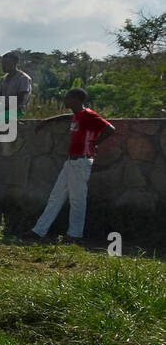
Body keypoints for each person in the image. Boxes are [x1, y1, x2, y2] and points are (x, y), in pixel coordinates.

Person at [25, 88, 115, 243]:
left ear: (76, 99)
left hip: (80, 162)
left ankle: (75, 234)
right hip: (71, 162)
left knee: (77, 200)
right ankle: (39, 231)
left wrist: (94, 143)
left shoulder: (89, 115)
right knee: (55, 197)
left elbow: (110, 128)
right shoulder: (78, 115)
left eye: (67, 97)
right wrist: (48, 120)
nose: (65, 100)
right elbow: (69, 116)